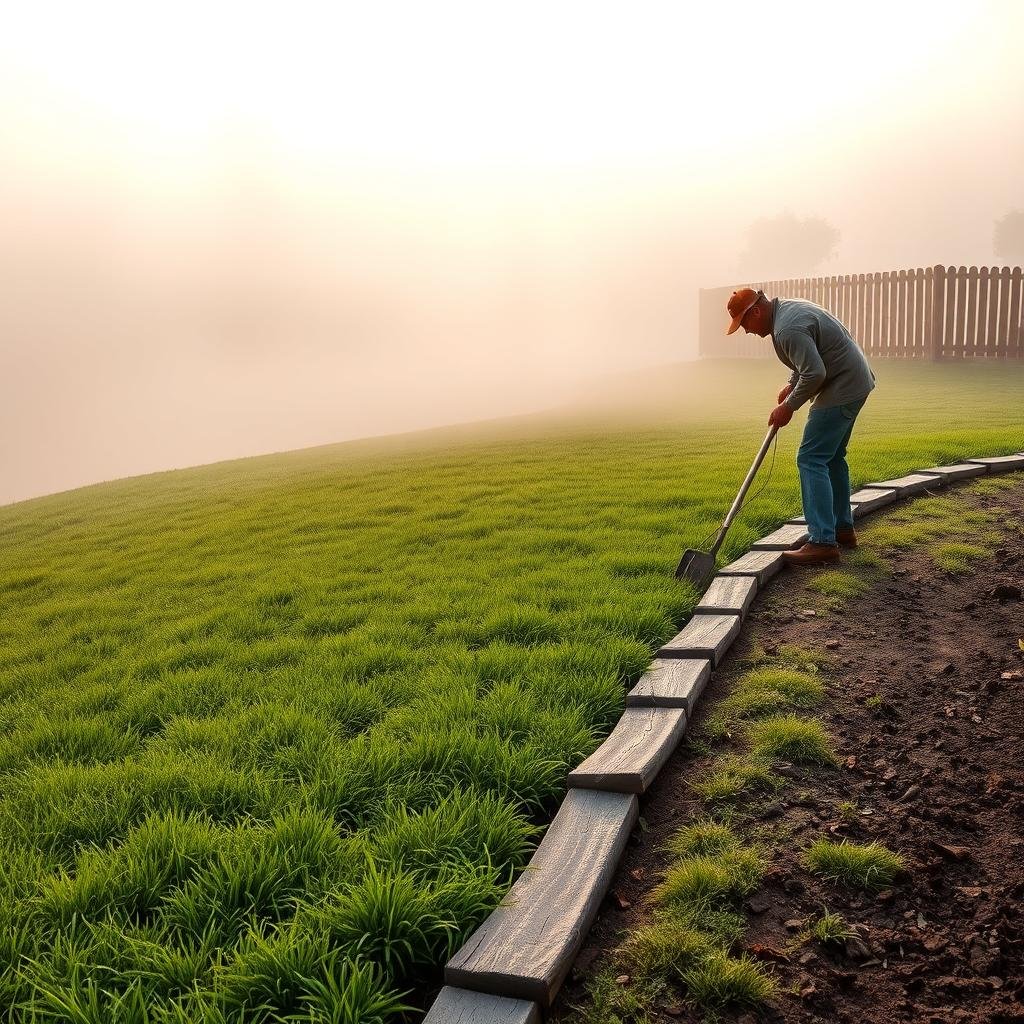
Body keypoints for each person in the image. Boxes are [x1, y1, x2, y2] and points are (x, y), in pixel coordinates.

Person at [725, 287, 876, 565]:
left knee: (811, 458)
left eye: (744, 323)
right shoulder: (788, 310)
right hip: (857, 381)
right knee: (832, 458)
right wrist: (791, 385)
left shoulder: (785, 329)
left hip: (841, 387)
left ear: (756, 311)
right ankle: (842, 529)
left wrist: (789, 407)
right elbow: (809, 357)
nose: (745, 331)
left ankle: (822, 541)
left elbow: (815, 372)